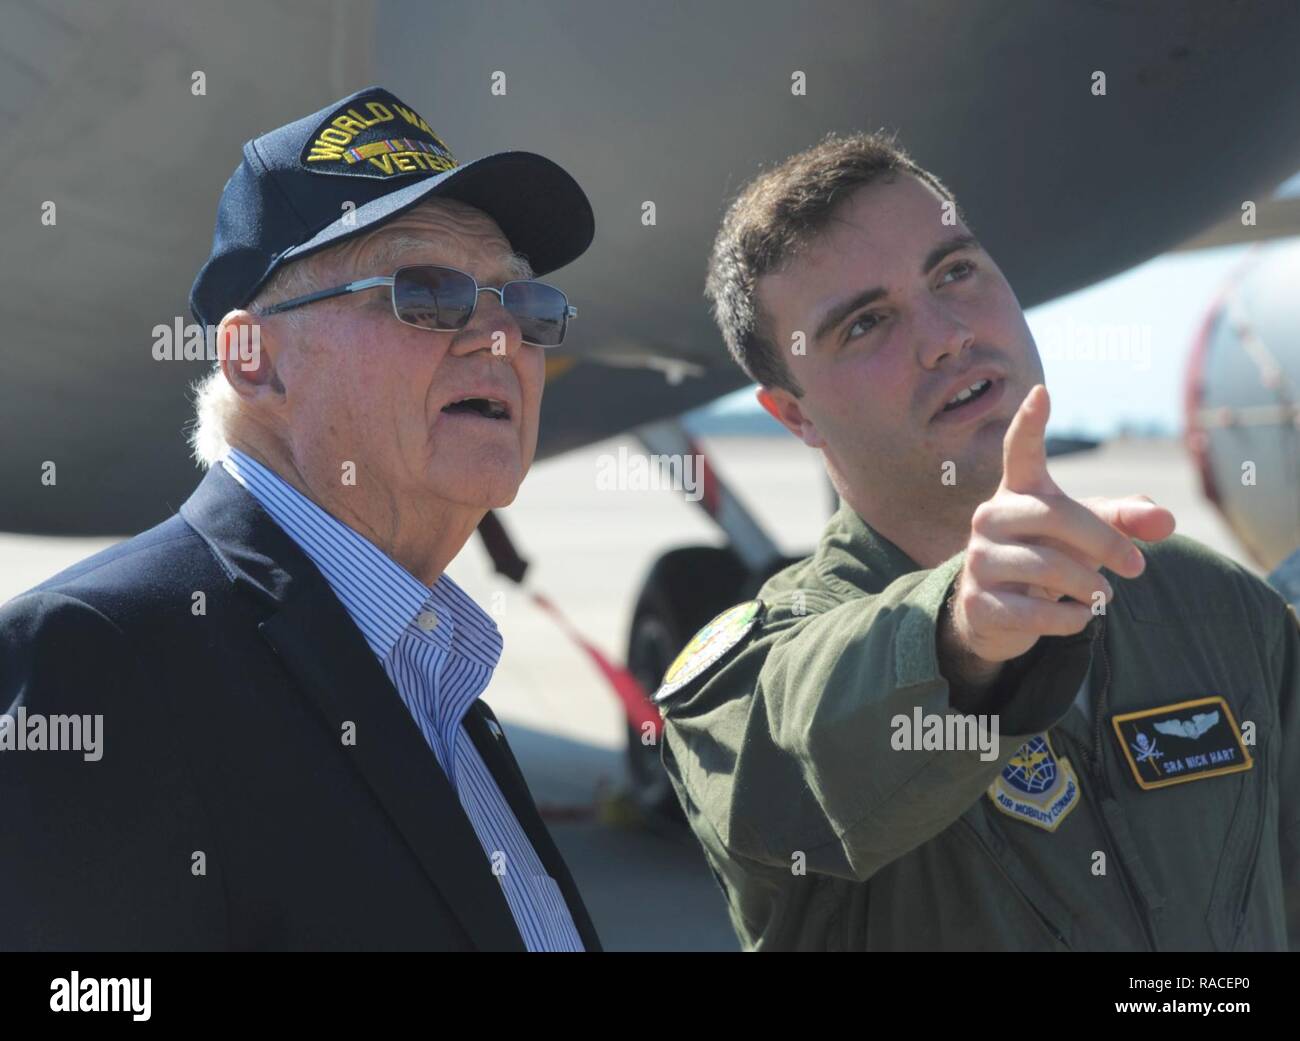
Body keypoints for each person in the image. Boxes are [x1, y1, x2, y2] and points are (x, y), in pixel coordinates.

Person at [655, 130, 1299, 951]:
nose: (946, 334)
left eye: (954, 271)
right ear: (794, 413)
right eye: (865, 324)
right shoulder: (740, 690)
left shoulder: (1211, 606)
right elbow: (797, 740)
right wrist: (957, 633)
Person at [0, 86, 599, 951]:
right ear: (256, 362)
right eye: (428, 295)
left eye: (526, 304)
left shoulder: (436, 674)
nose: (499, 338)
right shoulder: (94, 655)